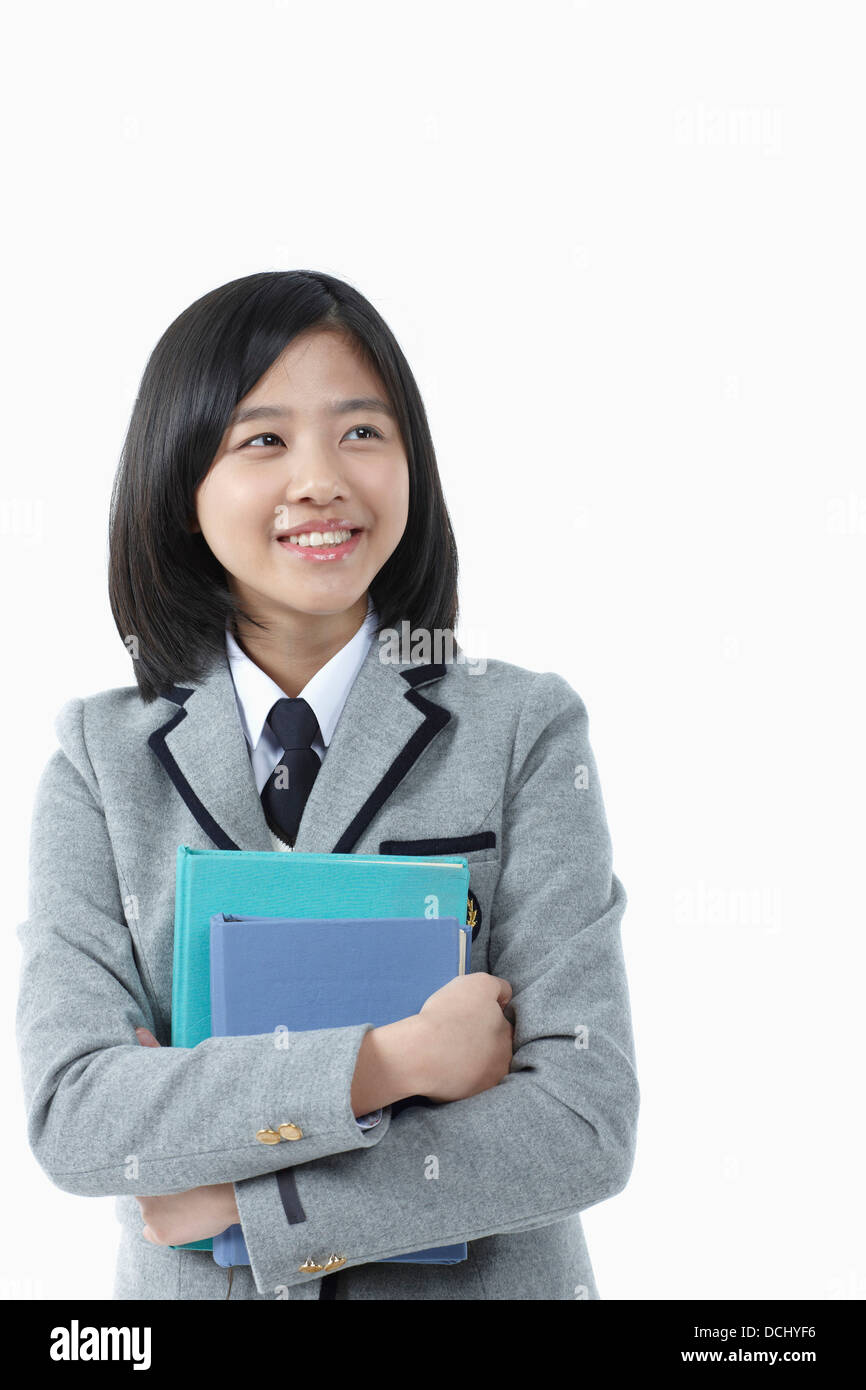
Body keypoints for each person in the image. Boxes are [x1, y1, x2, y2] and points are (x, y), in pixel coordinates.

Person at [15, 269, 639, 1300]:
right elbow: (79, 1116)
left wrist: (241, 1200)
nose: (320, 479)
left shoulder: (521, 728)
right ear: (182, 487)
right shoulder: (98, 759)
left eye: (360, 432)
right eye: (263, 440)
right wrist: (394, 1061)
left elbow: (580, 1120)